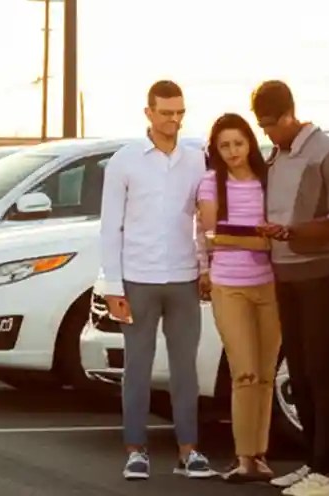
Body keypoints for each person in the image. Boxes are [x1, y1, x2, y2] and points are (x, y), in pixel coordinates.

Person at [100, 79, 212, 481]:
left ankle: (189, 451)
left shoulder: (197, 159)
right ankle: (136, 451)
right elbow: (110, 227)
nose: (175, 120)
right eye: (167, 112)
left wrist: (204, 268)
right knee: (138, 368)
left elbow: (203, 221)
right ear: (148, 113)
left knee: (186, 369)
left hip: (183, 278)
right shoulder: (125, 161)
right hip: (137, 279)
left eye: (180, 112)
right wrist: (113, 286)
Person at [250, 80, 329, 496]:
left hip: (320, 276)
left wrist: (293, 231)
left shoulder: (327, 151)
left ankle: (328, 474)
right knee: (297, 373)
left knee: (321, 372)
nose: (267, 133)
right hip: (285, 276)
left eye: (271, 125)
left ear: (290, 115)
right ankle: (312, 463)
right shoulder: (276, 154)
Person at [195, 113, 280, 483]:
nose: (232, 152)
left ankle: (259, 455)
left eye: (238, 144)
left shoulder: (268, 181)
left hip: (270, 286)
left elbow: (276, 232)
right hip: (228, 286)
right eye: (224, 145)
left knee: (265, 374)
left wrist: (242, 237)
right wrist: (205, 266)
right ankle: (243, 456)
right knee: (243, 371)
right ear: (216, 149)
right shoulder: (211, 183)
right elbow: (211, 233)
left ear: (250, 144)